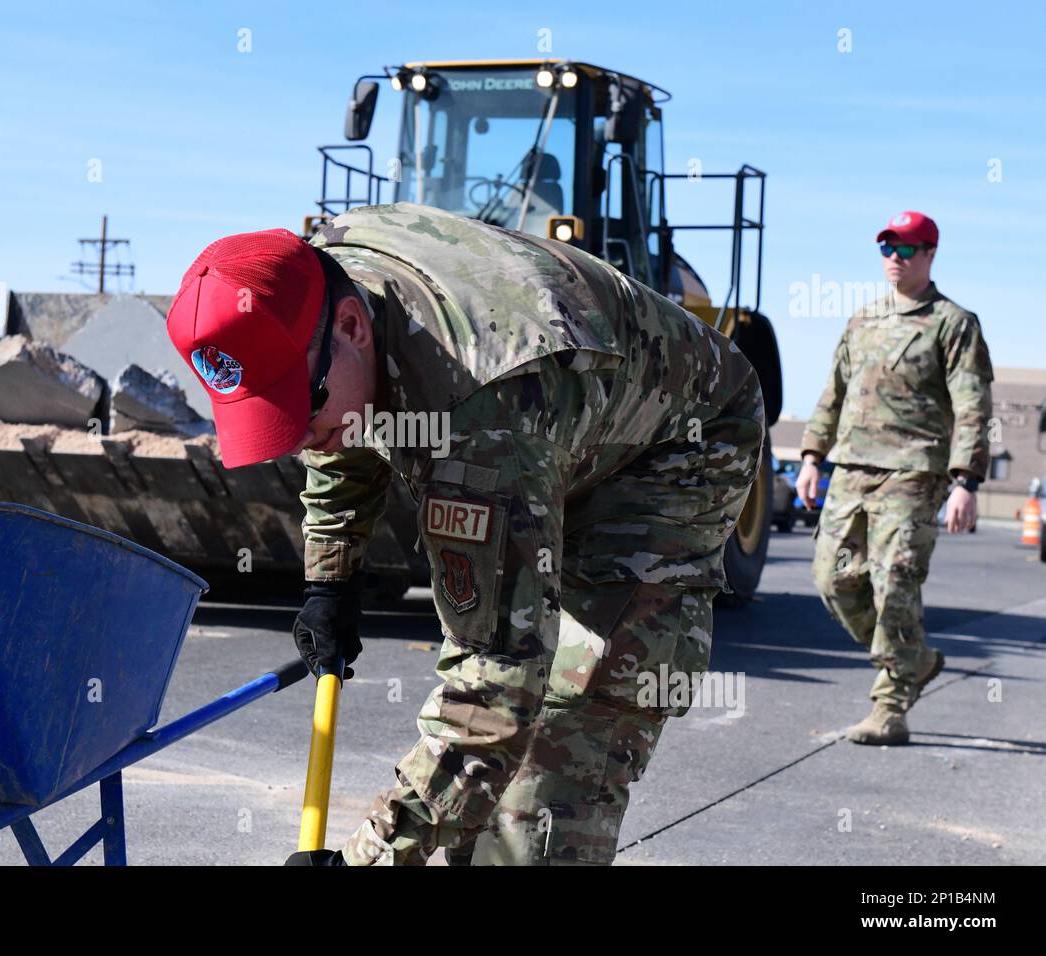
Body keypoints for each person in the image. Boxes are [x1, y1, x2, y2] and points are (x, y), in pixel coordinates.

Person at [167, 203, 765, 865]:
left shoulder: (476, 419)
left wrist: (369, 856)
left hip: (678, 445)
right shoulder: (319, 279)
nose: (300, 437)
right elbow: (338, 437)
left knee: (556, 763)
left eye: (298, 407)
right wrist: (328, 580)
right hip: (560, 423)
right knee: (472, 798)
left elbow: (498, 679)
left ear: (350, 325)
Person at [796, 211, 993, 746]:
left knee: (895, 586)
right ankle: (915, 658)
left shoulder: (954, 324)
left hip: (914, 474)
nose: (893, 257)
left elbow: (973, 407)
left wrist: (964, 482)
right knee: (831, 580)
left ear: (930, 254)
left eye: (906, 249)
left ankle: (890, 706)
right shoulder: (863, 321)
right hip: (851, 471)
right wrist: (812, 457)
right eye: (887, 246)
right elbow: (832, 393)